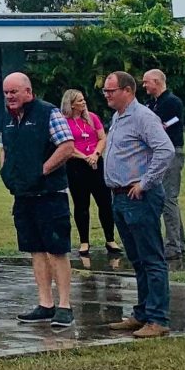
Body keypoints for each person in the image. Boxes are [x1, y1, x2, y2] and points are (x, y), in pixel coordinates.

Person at [0, 72, 77, 328]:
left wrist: (40, 171)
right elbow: (4, 149)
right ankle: (45, 304)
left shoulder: (48, 113)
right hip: (24, 197)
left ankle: (64, 306)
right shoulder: (9, 120)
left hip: (50, 195)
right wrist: (7, 174)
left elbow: (66, 146)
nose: (10, 97)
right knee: (35, 250)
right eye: (6, 92)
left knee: (57, 250)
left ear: (28, 92)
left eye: (14, 92)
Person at [101, 71, 176, 339]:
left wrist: (145, 182)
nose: (107, 95)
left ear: (128, 90)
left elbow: (165, 150)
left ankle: (158, 318)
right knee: (137, 258)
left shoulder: (143, 117)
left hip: (139, 196)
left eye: (111, 91)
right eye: (105, 91)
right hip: (119, 196)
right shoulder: (118, 117)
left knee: (151, 258)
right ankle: (142, 312)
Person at [61, 88, 119, 258]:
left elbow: (102, 138)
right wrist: (84, 157)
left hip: (96, 164)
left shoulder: (92, 118)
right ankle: (84, 241)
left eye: (83, 99)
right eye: (79, 101)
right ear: (71, 104)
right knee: (81, 204)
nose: (83, 103)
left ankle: (110, 238)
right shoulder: (64, 122)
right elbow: (66, 146)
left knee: (105, 202)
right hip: (76, 166)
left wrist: (95, 154)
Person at [140, 68, 185, 260]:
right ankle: (179, 242)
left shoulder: (172, 102)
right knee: (168, 199)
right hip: (156, 155)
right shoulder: (151, 104)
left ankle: (172, 246)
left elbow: (166, 126)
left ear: (157, 81)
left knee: (169, 198)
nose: (144, 86)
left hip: (171, 152)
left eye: (146, 82)